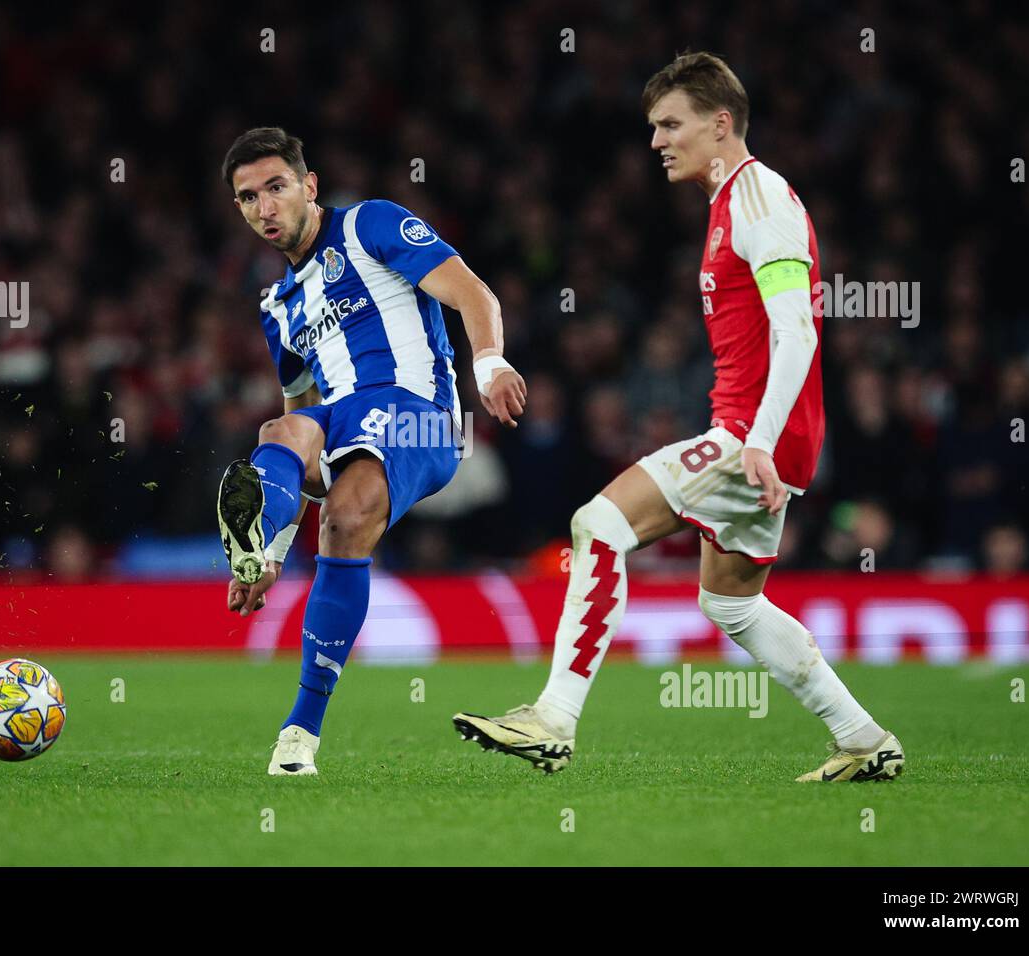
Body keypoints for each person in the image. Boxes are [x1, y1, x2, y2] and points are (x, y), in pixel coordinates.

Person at [454, 54, 903, 783]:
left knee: (598, 525)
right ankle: (864, 738)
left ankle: (553, 718)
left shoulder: (760, 200)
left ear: (720, 124)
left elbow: (800, 331)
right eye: (653, 127)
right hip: (766, 433)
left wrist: (756, 442)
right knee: (731, 604)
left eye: (671, 124)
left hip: (754, 433)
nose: (657, 140)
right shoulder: (731, 202)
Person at [217, 127, 527, 776]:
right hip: (343, 423)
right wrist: (275, 551)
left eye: (276, 187)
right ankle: (296, 730)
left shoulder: (372, 225)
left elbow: (473, 293)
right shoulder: (278, 306)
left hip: (421, 419)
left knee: (330, 491)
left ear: (309, 186)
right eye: (248, 198)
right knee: (287, 448)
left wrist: (491, 364)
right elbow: (301, 415)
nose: (265, 207)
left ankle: (302, 706)